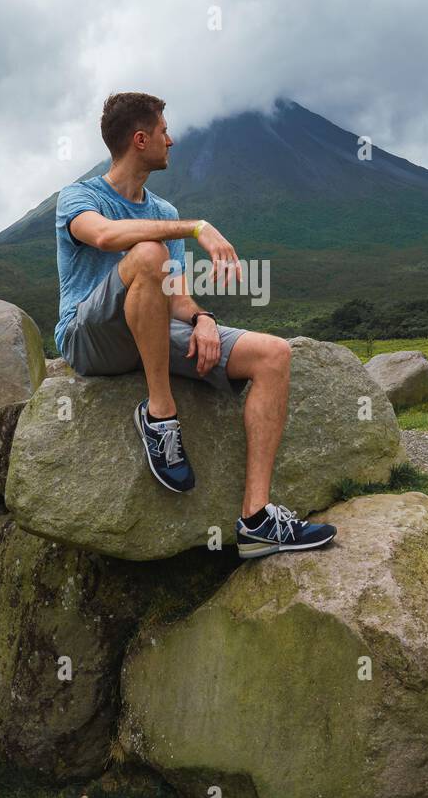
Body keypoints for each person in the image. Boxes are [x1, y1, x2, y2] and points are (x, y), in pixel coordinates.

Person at [54, 92, 336, 559]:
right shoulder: (79, 196)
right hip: (90, 338)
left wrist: (203, 319)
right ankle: (161, 416)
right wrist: (194, 228)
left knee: (273, 354)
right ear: (141, 140)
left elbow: (176, 294)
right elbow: (104, 236)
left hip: (152, 328)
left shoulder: (162, 211)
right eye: (164, 130)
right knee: (147, 254)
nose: (172, 138)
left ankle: (257, 519)